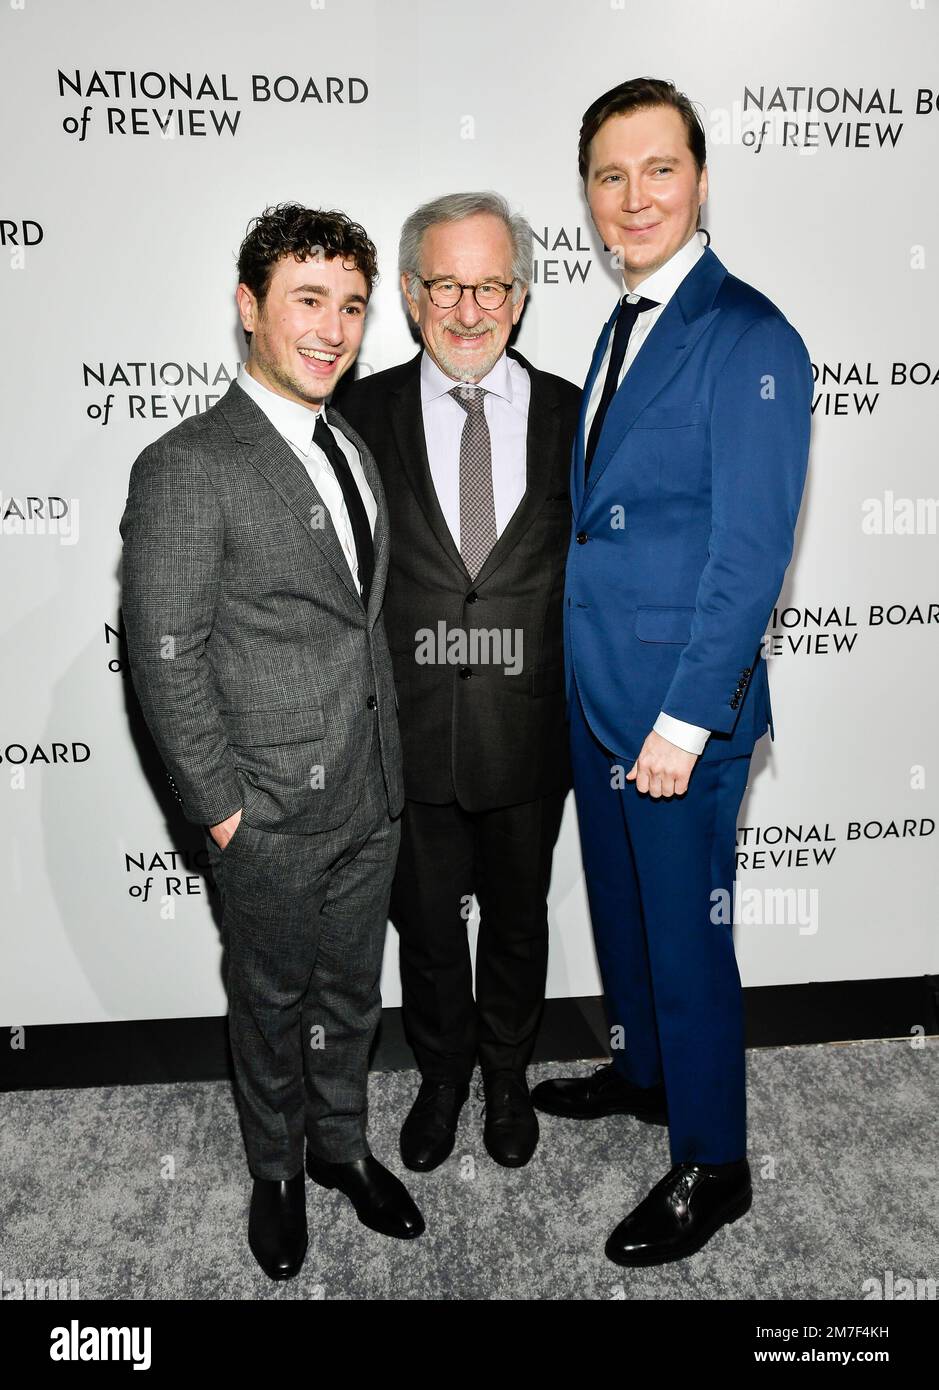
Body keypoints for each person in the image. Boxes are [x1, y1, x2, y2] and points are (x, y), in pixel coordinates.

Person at [531, 79, 812, 1265]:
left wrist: (689, 720)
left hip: (678, 717)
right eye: (609, 174)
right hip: (601, 699)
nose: (633, 195)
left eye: (658, 169)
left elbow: (750, 556)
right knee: (627, 915)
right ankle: (645, 1074)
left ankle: (714, 1161)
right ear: (588, 197)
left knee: (690, 938)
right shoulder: (621, 320)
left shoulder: (749, 334)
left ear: (700, 179)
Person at [119, 203, 423, 1282]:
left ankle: (339, 1146)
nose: (334, 329)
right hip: (269, 813)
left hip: (369, 794)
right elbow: (163, 654)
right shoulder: (189, 463)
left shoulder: (348, 441)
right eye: (308, 301)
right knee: (271, 999)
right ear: (249, 309)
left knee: (351, 994)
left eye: (350, 305)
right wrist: (222, 808)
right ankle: (277, 1171)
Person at [338, 192, 580, 1172]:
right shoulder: (354, 415)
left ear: (519, 296)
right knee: (430, 927)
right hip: (405, 730)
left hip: (533, 728)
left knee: (520, 919)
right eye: (447, 284)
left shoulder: (576, 414)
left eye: (490, 284)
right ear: (408, 291)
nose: (469, 308)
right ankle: (442, 1076)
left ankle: (509, 1074)